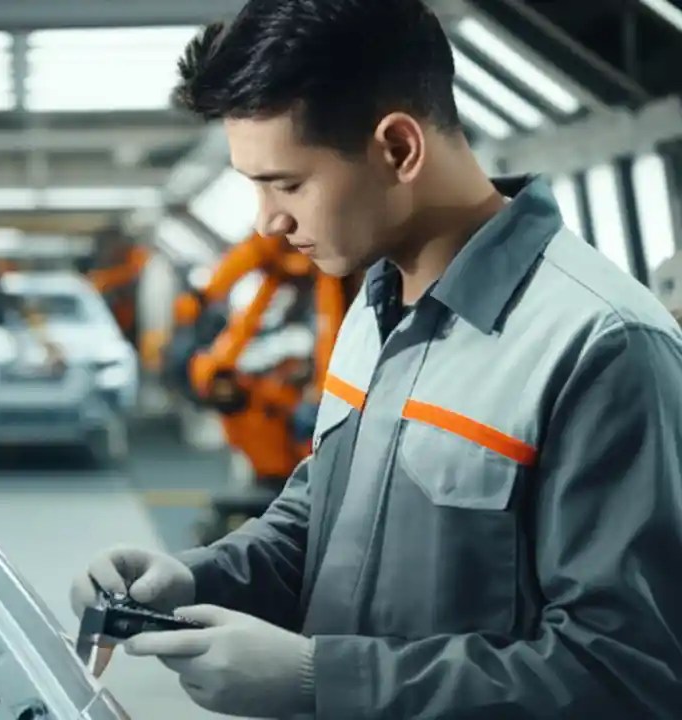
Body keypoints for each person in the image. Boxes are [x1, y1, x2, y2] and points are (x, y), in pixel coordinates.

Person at [69, 0, 682, 717]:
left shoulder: (600, 345)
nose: (268, 221)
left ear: (398, 149)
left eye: (287, 184)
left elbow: (627, 671)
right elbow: (319, 523)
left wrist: (321, 677)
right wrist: (192, 577)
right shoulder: (373, 308)